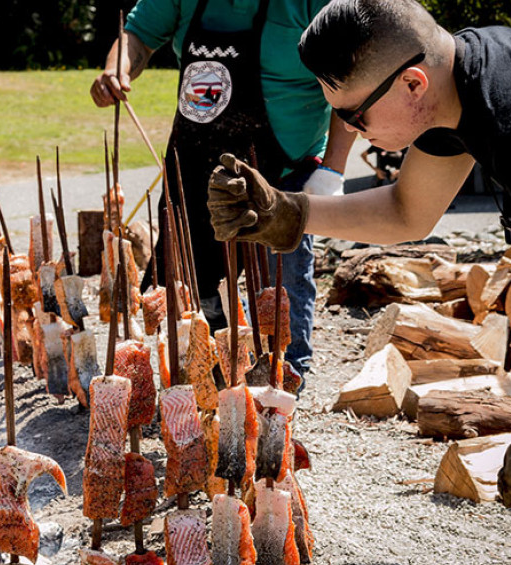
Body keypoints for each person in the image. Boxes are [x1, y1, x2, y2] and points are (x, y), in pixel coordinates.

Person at [207, 0, 511, 565]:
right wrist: (290, 211)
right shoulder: (457, 87)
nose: (349, 129)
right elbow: (409, 210)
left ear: (411, 83)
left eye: (353, 114)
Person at [90, 0, 356, 382]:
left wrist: (332, 171)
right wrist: (117, 69)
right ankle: (212, 383)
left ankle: (282, 388)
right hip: (196, 162)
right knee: (192, 291)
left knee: (279, 295)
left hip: (284, 172)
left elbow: (352, 79)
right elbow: (138, 36)